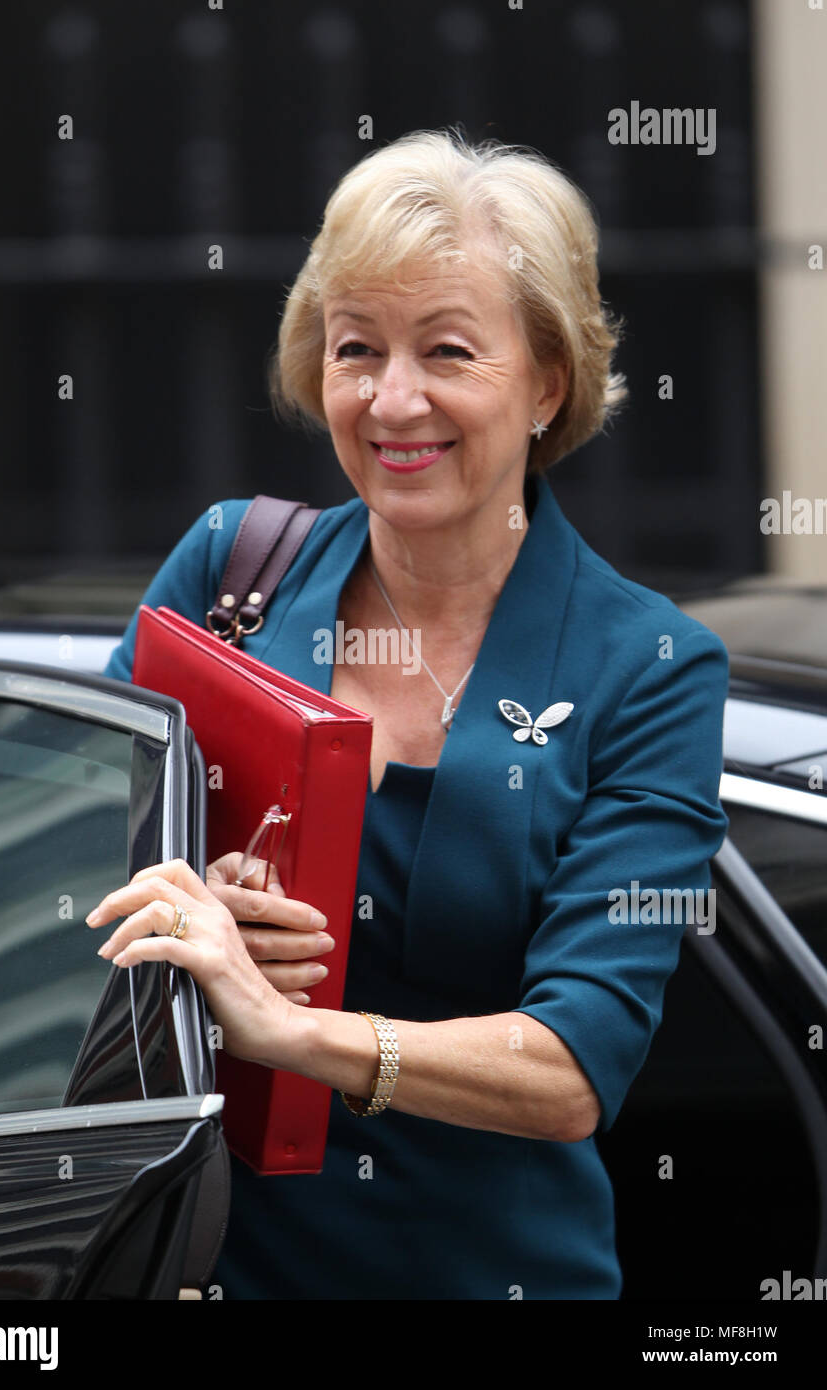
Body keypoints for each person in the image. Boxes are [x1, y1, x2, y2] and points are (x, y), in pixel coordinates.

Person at [91, 128, 729, 1299]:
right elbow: (57, 878)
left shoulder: (649, 667)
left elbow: (573, 1068)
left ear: (545, 380)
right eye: (354, 349)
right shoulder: (233, 573)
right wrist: (191, 894)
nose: (391, 399)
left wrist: (292, 1035)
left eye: (445, 350)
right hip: (207, 1264)